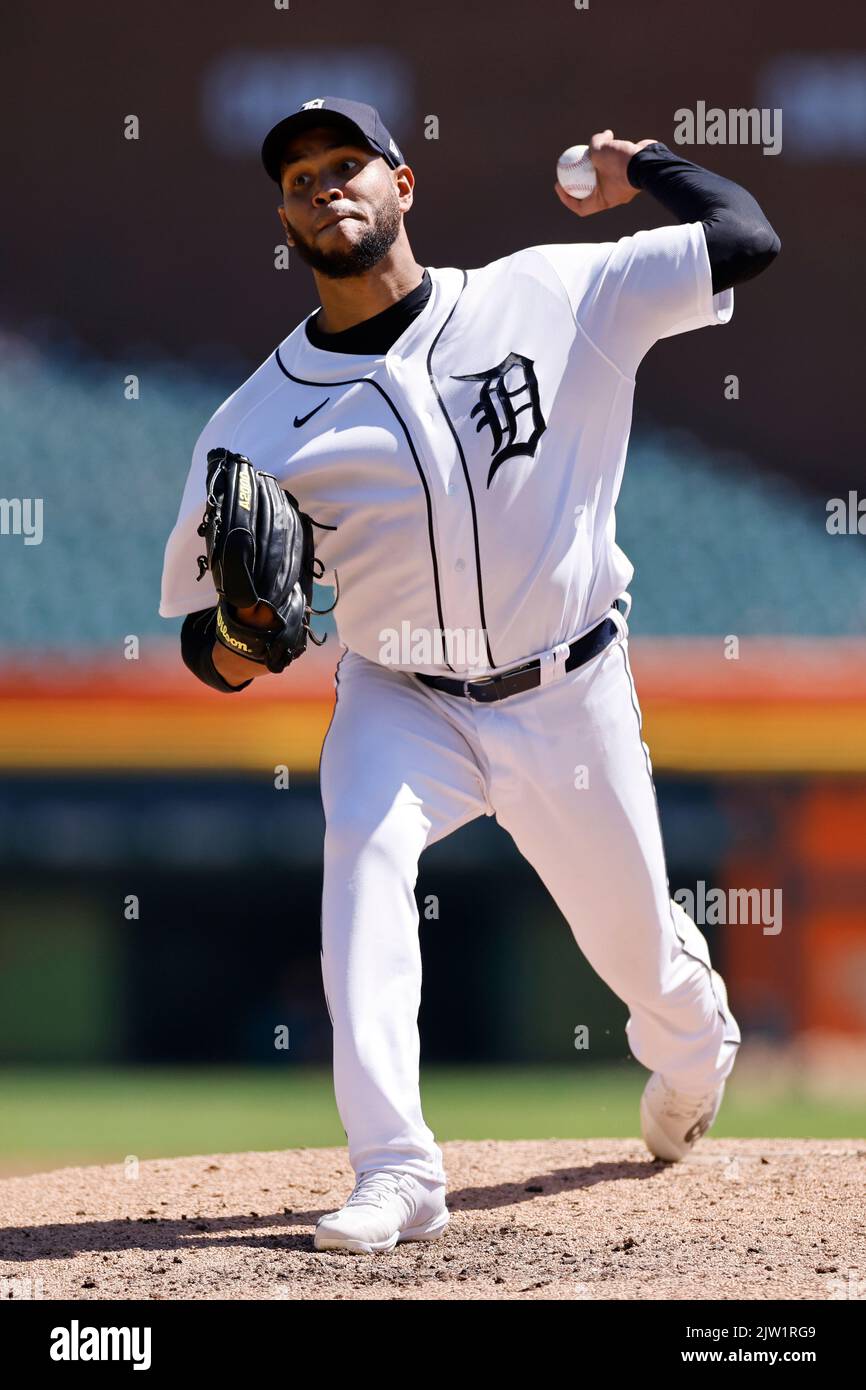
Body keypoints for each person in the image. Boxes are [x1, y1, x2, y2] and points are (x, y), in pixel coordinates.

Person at [159, 97, 780, 1255]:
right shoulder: (254, 423)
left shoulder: (543, 292)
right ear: (284, 218)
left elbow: (744, 238)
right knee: (362, 864)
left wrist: (637, 162)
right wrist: (242, 640)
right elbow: (206, 645)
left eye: (347, 164)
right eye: (298, 178)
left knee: (642, 957)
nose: (323, 186)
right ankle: (395, 1169)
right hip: (402, 700)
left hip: (568, 689)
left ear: (403, 185)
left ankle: (694, 1042)